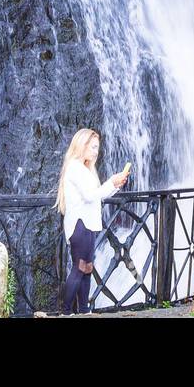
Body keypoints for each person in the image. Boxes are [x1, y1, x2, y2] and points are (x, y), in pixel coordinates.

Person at [55, 129, 129, 314]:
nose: (96, 151)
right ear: (82, 144)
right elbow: (89, 196)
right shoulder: (74, 167)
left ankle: (84, 310)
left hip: (88, 224)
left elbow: (97, 196)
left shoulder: (86, 169)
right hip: (79, 225)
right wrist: (111, 182)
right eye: (93, 147)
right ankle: (65, 312)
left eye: (98, 147)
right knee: (80, 267)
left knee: (87, 267)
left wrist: (115, 186)